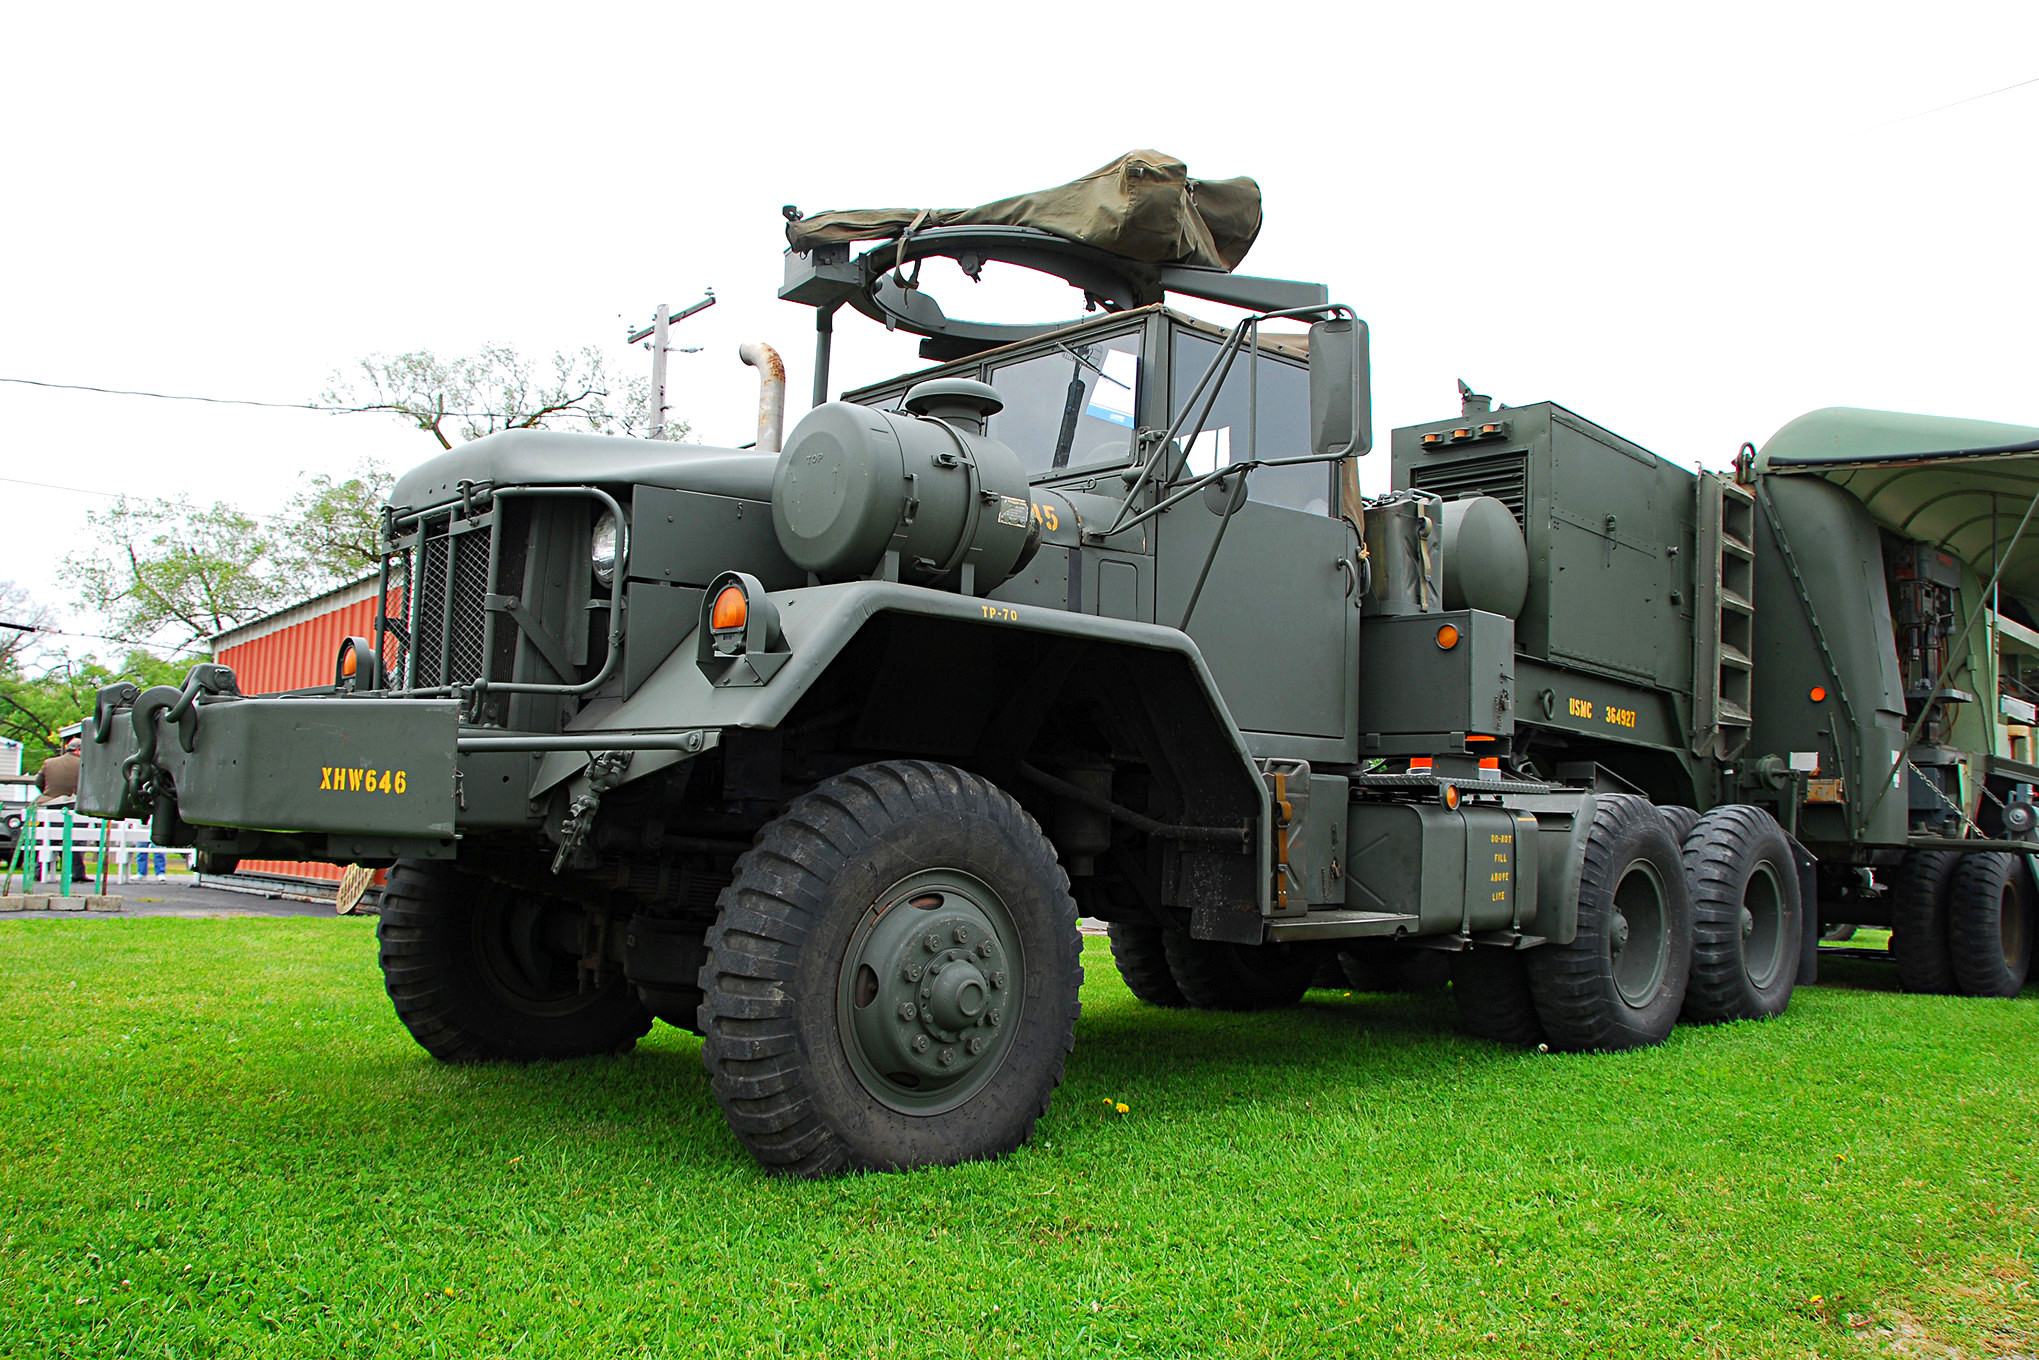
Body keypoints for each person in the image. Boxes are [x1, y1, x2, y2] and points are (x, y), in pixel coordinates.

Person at [33, 736, 88, 883]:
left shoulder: (49, 763)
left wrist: (49, 793)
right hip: (73, 804)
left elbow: (38, 782)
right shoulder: (84, 764)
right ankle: (77, 872)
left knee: (47, 838)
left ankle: (39, 870)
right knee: (75, 839)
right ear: (78, 751)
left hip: (49, 804)